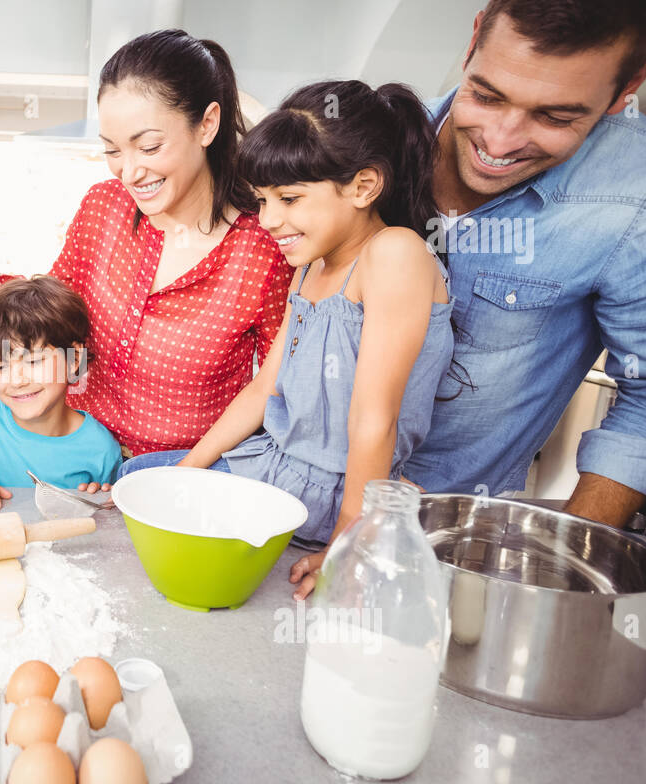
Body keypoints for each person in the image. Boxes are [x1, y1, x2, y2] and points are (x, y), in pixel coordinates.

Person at [120, 80, 457, 601]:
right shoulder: (311, 270)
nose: (270, 220)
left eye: (290, 199)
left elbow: (375, 419)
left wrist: (352, 545)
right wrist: (184, 474)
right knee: (142, 475)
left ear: (364, 187)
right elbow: (262, 391)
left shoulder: (395, 253)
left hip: (333, 495)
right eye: (262, 201)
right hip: (273, 468)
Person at [0, 29, 292, 473]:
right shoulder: (104, 207)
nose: (130, 171)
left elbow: (274, 390)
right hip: (75, 461)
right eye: (112, 149)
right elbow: (43, 311)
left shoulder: (264, 249)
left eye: (149, 146)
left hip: (182, 473)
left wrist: (184, 473)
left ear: (207, 124)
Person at [403, 0, 646, 529]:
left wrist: (561, 564)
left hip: (443, 542)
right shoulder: (377, 140)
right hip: (279, 498)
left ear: (632, 82)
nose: (498, 143)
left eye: (555, 116)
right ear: (476, 35)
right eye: (486, 93)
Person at [0, 276, 123, 511]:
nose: (17, 381)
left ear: (74, 360)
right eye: (0, 366)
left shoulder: (100, 448)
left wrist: (100, 501)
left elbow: (107, 522)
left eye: (34, 361)